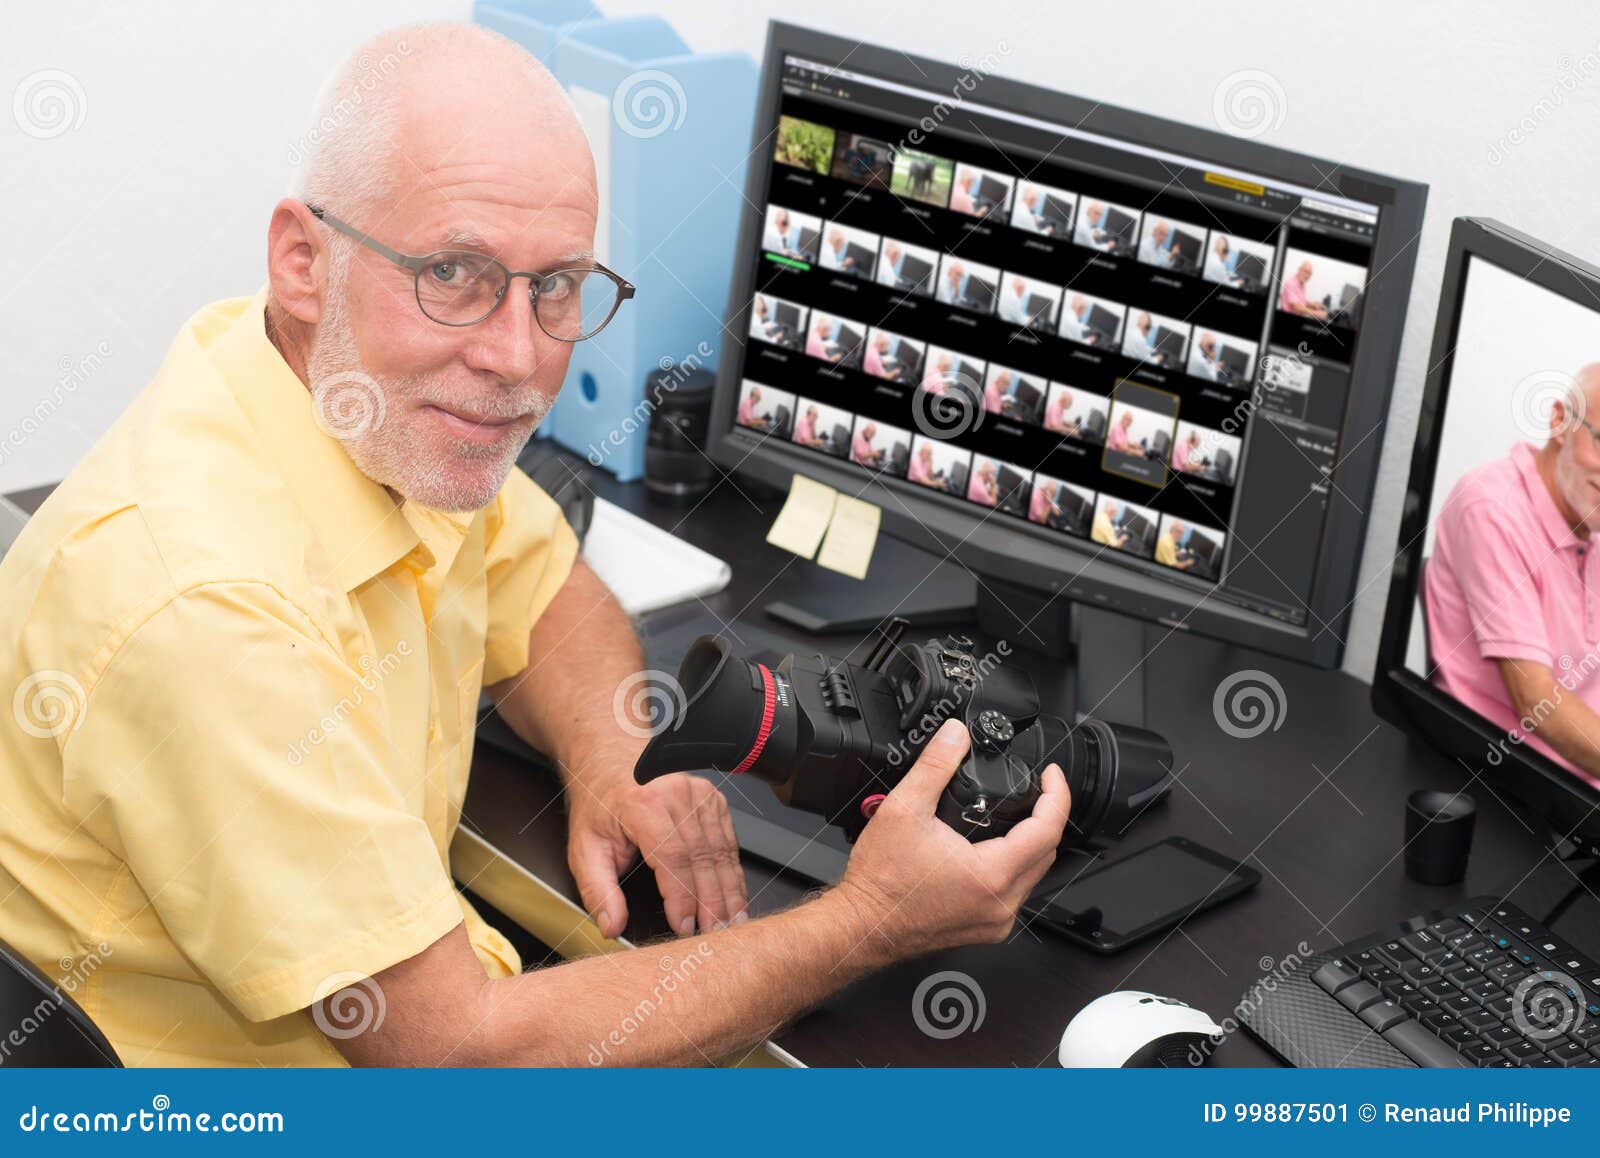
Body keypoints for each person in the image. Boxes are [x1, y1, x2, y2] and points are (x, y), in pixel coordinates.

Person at [0, 23, 1076, 1070]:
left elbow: (543, 578)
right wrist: (872, 920)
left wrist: (611, 755)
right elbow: (455, 1055)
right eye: (454, 273)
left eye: (557, 285)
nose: (517, 357)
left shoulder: (360, 400)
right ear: (300, 260)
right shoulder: (205, 605)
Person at [1425, 363, 1600, 784]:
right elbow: (1537, 702)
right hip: (1514, 785)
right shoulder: (1491, 508)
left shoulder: (1588, 515)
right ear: (1559, 420)